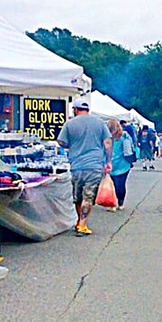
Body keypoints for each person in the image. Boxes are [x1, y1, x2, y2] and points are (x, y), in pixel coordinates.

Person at [57, 96, 112, 235]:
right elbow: (107, 143)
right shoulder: (100, 123)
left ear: (75, 109)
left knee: (78, 197)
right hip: (94, 165)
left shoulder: (69, 124)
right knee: (88, 197)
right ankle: (82, 224)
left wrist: (72, 144)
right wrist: (108, 161)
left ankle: (79, 222)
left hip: (76, 165)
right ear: (88, 109)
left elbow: (61, 142)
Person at [108, 119, 134, 210]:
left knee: (117, 184)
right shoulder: (125, 136)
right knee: (117, 184)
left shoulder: (123, 136)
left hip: (119, 164)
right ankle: (118, 203)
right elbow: (129, 150)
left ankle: (117, 203)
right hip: (119, 164)